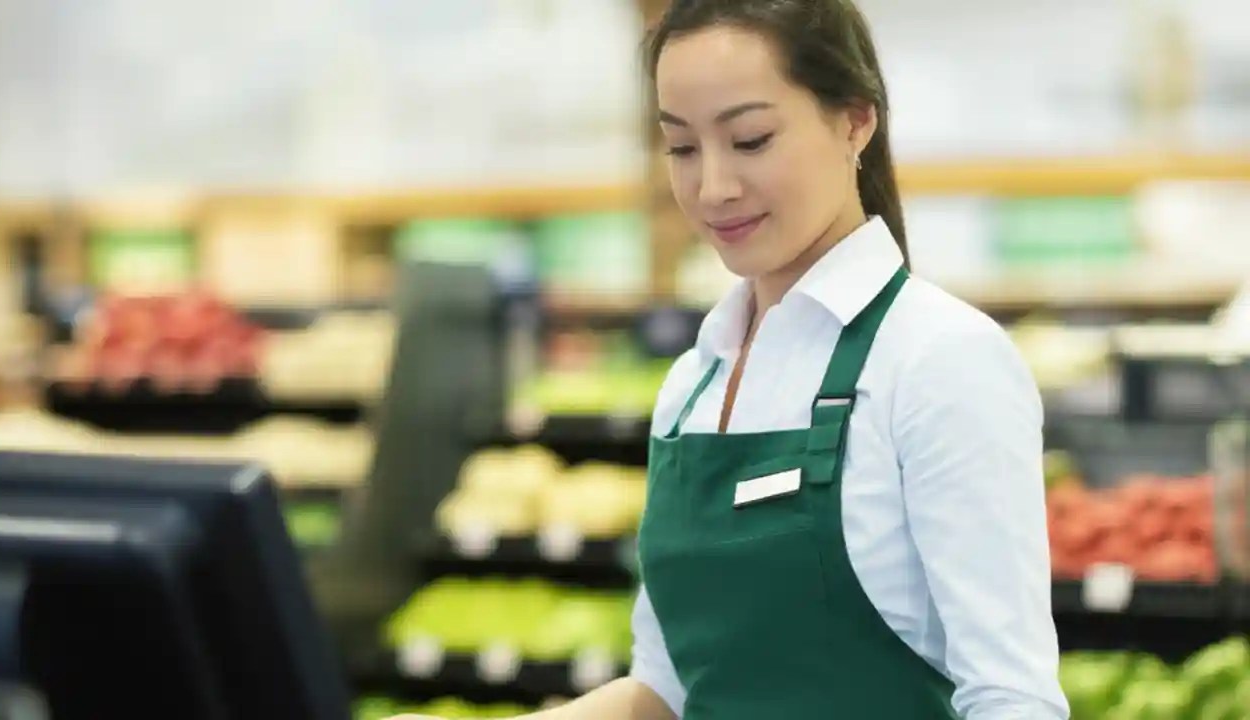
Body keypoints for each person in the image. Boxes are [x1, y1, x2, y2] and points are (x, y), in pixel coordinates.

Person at [393, 0, 1069, 717]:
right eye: (682, 148)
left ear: (855, 121)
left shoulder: (939, 361)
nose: (712, 186)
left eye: (750, 139)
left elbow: (1011, 698)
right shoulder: (694, 382)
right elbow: (666, 689)